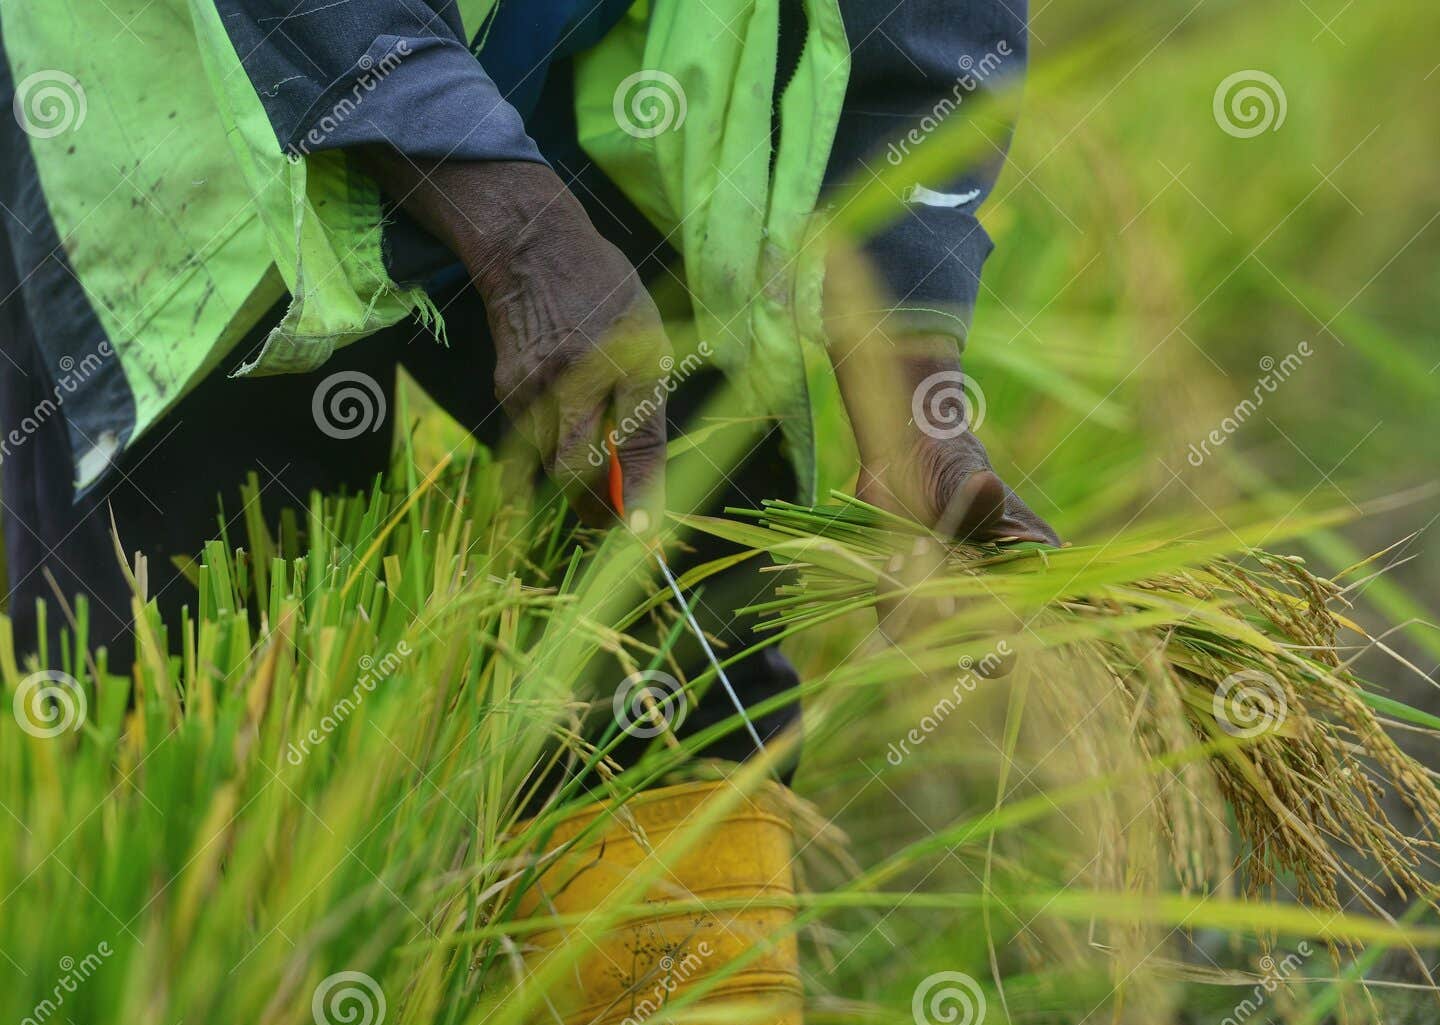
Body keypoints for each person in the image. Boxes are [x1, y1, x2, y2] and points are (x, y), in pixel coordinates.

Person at [0, 0, 1056, 762]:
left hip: (571, 104)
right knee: (153, 678)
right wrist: (517, 237)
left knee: (689, 649)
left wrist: (910, 403)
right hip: (190, 130)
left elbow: (932, 38)